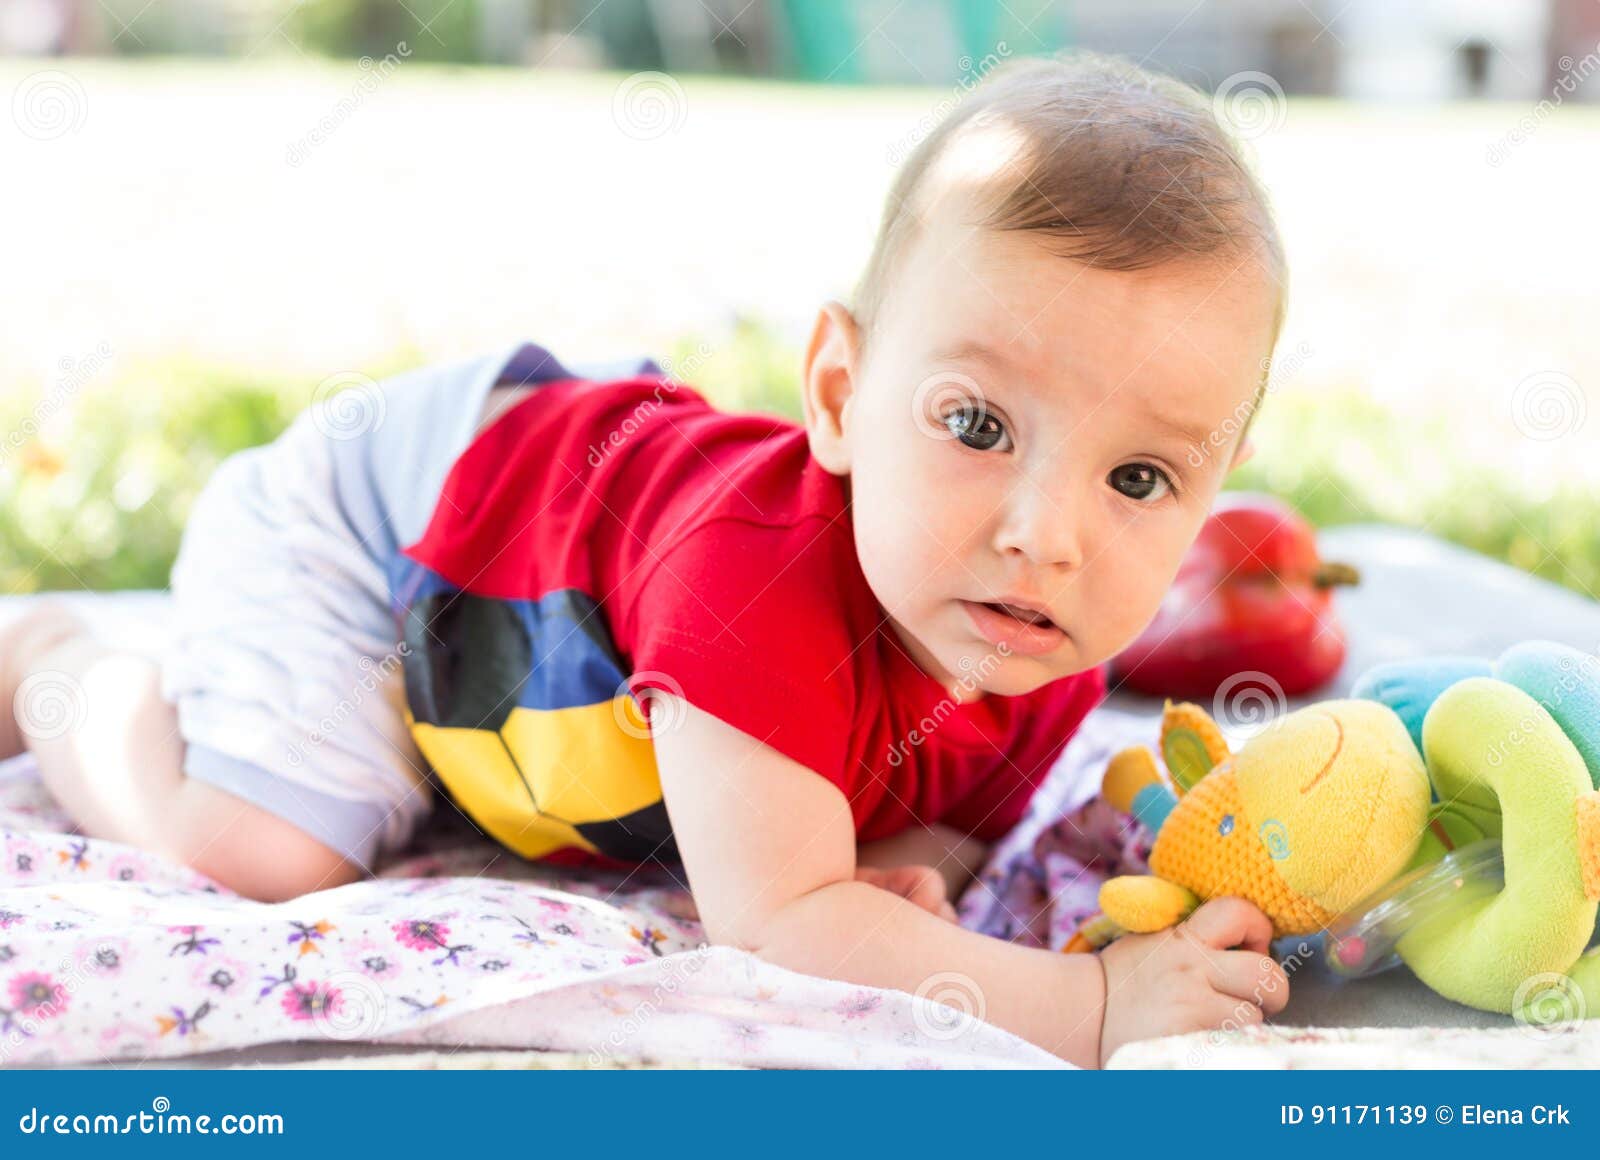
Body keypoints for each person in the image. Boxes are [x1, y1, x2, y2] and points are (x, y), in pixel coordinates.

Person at [0, 52, 1290, 1066]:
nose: (1045, 535)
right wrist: (1088, 1004)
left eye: (1138, 478)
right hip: (396, 534)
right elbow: (782, 920)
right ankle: (59, 658)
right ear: (837, 397)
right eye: (975, 425)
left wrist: (902, 878)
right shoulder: (757, 582)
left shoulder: (1031, 627)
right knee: (270, 851)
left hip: (568, 607)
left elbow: (916, 849)